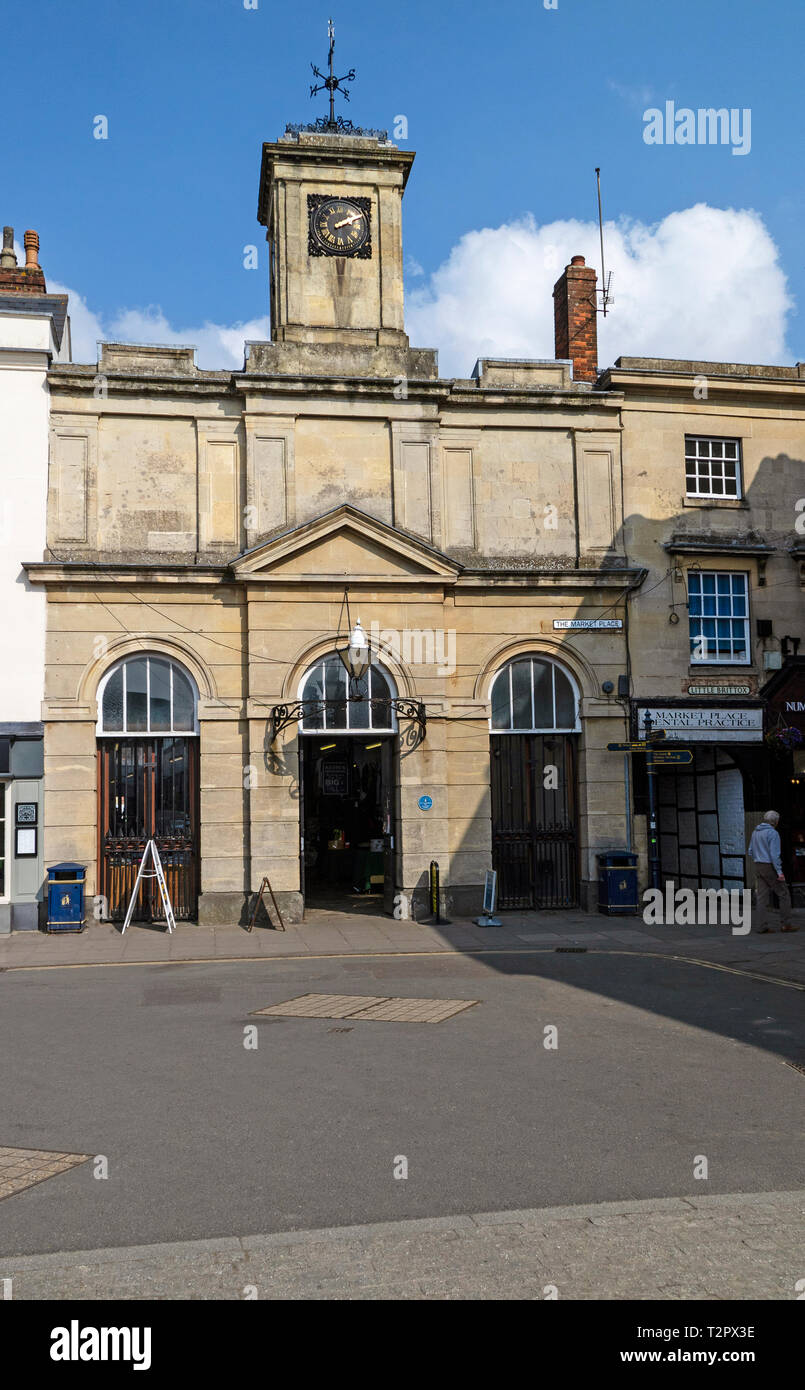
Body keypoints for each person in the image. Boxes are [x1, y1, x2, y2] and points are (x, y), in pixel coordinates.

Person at [748, 810, 798, 933]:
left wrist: (758, 857)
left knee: (761, 897)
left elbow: (750, 851)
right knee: (784, 894)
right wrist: (779, 872)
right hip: (769, 866)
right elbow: (774, 855)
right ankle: (786, 924)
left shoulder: (755, 832)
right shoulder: (773, 833)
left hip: (758, 865)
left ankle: (761, 926)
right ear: (776, 821)